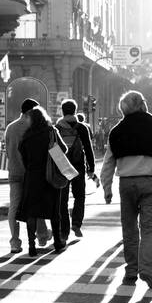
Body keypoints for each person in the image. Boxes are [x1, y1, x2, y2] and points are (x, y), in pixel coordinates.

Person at [100, 89, 152, 290]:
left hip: (126, 185)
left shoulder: (117, 131)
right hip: (150, 183)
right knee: (151, 228)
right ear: (142, 104)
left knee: (129, 228)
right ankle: (147, 269)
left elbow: (108, 162)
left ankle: (131, 270)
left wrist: (107, 187)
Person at [15, 104, 70, 256]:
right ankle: (58, 242)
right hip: (50, 176)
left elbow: (23, 156)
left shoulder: (26, 136)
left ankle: (31, 246)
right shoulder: (51, 131)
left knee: (32, 212)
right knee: (54, 211)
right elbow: (64, 149)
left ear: (31, 120)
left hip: (32, 178)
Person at [4, 97, 49, 252]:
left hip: (14, 172)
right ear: (32, 112)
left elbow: (7, 152)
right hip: (32, 173)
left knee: (14, 207)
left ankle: (14, 241)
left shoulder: (10, 128)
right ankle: (42, 235)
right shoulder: (34, 127)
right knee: (37, 203)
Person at [55, 98, 98, 239]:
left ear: (62, 111)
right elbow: (88, 148)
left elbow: (54, 149)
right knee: (79, 196)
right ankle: (76, 224)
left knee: (63, 199)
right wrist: (91, 168)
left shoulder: (57, 128)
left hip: (63, 166)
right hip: (79, 165)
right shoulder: (82, 127)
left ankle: (64, 231)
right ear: (75, 110)